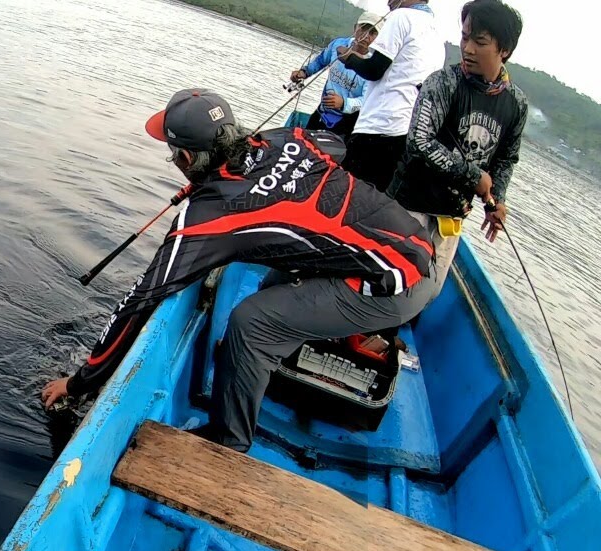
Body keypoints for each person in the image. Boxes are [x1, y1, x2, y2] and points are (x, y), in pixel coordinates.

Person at [40, 89, 439, 452]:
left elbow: (140, 300)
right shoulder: (287, 138)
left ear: (184, 159)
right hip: (419, 248)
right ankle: (251, 362)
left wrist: (79, 383)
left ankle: (227, 438)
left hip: (392, 287)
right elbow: (333, 145)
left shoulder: (210, 217)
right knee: (273, 280)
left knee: (250, 322)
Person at [388, 0, 527, 283]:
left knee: (429, 291)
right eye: (465, 38)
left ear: (505, 50)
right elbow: (419, 141)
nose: (468, 48)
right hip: (409, 206)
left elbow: (505, 159)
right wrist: (472, 175)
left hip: (451, 218)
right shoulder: (442, 83)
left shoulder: (516, 104)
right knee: (392, 279)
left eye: (480, 41)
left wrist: (497, 200)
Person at [337, 0, 446, 191]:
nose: (388, 1)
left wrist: (349, 58)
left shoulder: (401, 17)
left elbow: (374, 70)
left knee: (344, 194)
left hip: (377, 127)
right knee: (371, 204)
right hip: (405, 135)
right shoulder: (437, 34)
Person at [289, 12, 382, 137]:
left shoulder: (374, 64)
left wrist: (343, 103)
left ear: (378, 37)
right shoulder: (339, 44)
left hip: (347, 121)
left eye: (372, 33)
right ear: (355, 28)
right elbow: (321, 60)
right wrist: (304, 72)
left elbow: (366, 101)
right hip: (322, 111)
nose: (366, 36)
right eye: (363, 29)